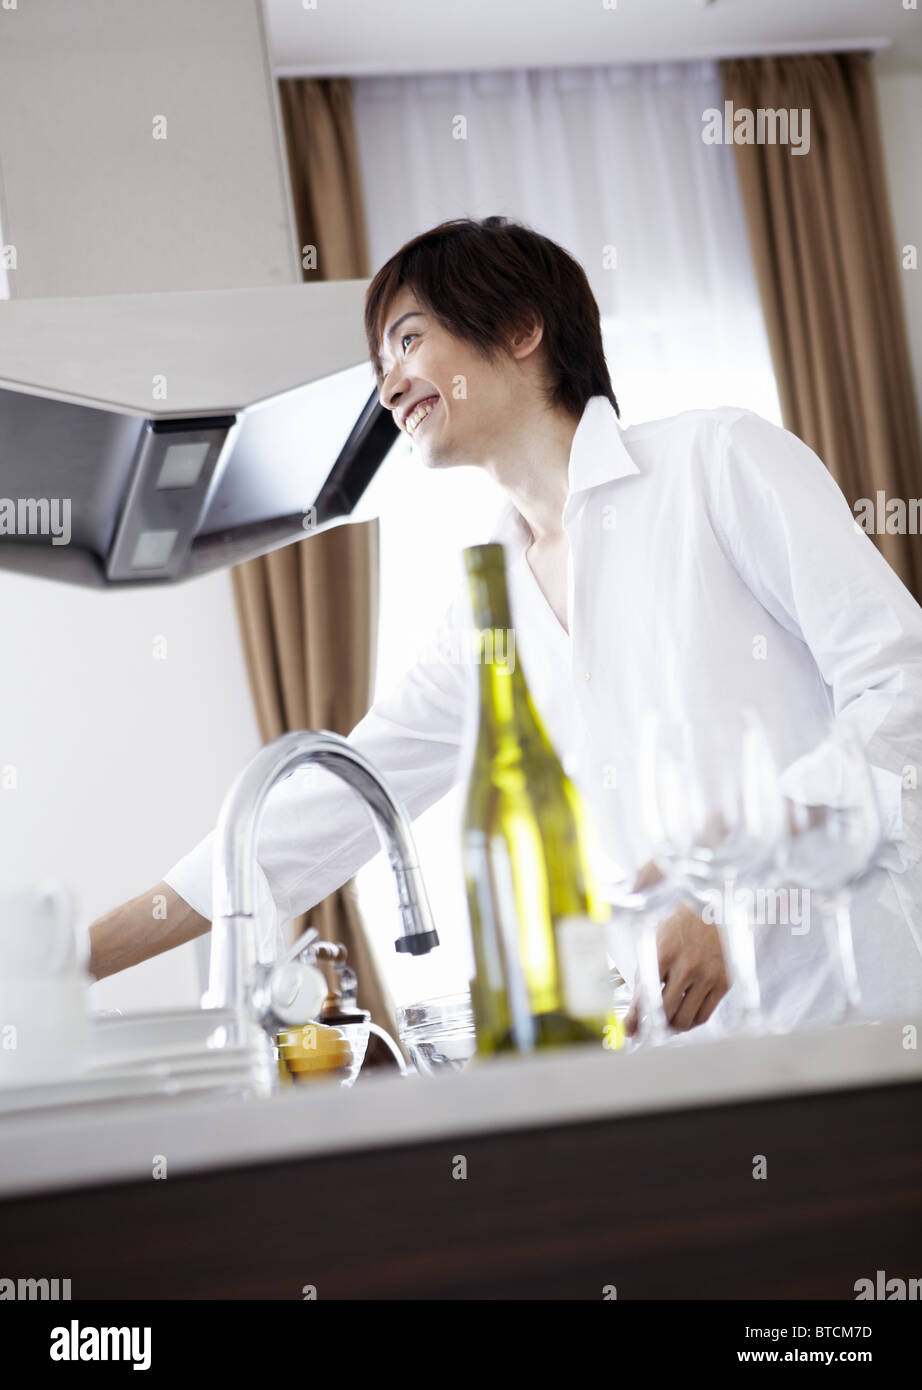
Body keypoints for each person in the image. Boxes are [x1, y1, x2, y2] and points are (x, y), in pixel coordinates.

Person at [89, 216, 922, 1040]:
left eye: (409, 341)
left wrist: (733, 890)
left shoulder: (717, 461)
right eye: (381, 363)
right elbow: (339, 798)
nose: (388, 386)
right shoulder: (486, 605)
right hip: (681, 1057)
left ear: (523, 328)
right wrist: (75, 960)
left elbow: (902, 695)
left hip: (860, 1017)